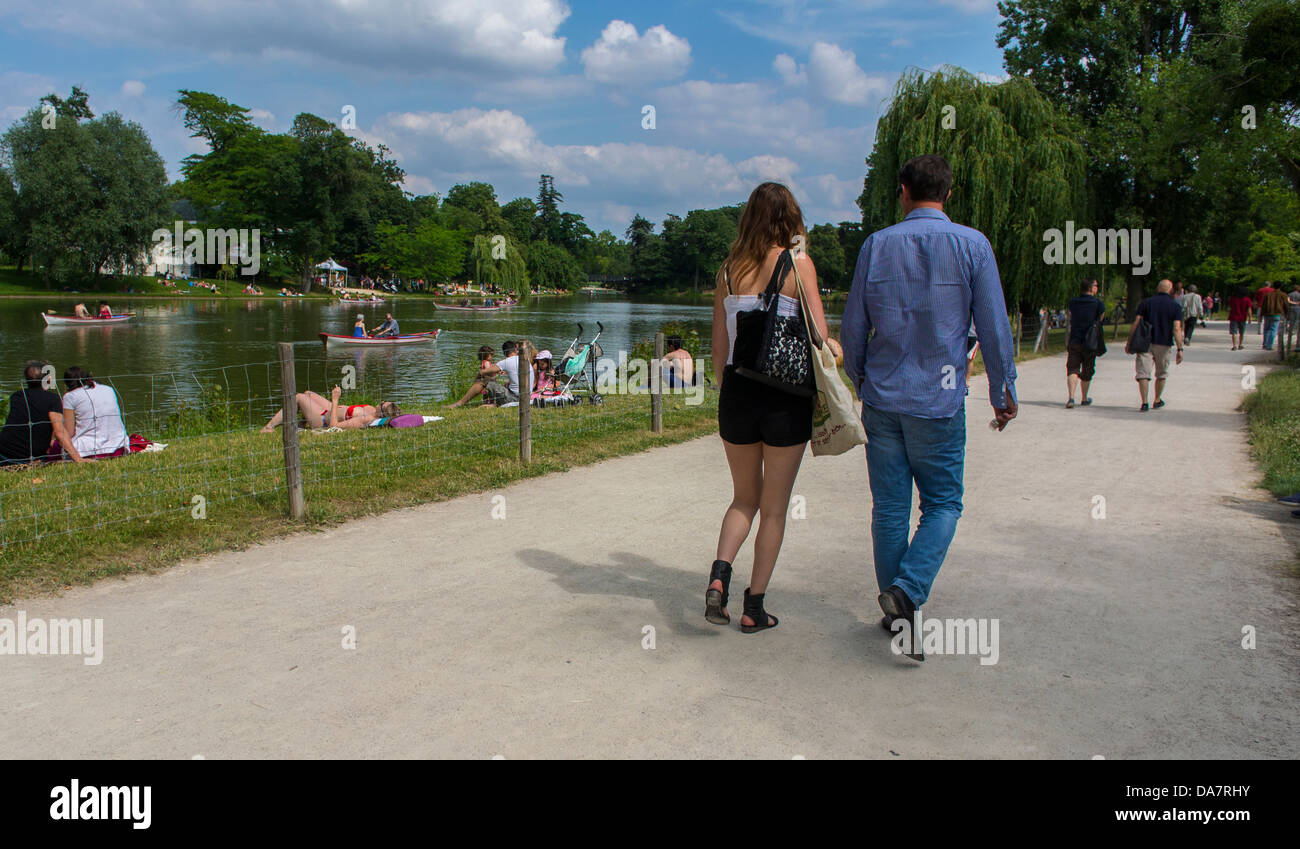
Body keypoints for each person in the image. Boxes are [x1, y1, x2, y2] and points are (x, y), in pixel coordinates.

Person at [841, 154, 1018, 661]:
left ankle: (901, 611)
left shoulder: (876, 245)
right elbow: (993, 326)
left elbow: (853, 326)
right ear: (948, 192)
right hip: (938, 402)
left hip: (884, 397)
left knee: (890, 509)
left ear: (902, 191)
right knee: (942, 504)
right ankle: (909, 591)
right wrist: (1003, 390)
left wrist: (860, 379)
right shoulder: (973, 246)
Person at [706, 181, 832, 635]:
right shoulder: (799, 264)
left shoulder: (727, 271)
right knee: (774, 508)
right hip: (785, 399)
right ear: (790, 219)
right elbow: (819, 335)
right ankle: (753, 606)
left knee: (744, 498)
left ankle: (719, 576)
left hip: (737, 395)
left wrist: (730, 391)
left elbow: (720, 351)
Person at [0, 361, 86, 466]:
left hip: (4, 455)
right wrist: (78, 459)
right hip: (28, 459)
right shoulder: (52, 399)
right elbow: (59, 432)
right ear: (47, 380)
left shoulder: (17, 396)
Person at [1128, 279, 1184, 411]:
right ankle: (1157, 399)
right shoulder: (1175, 306)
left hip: (1144, 342)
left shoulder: (1145, 303)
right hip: (1164, 343)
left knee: (1143, 373)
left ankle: (1144, 402)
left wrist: (1130, 341)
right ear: (1170, 290)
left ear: (1158, 289)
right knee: (1161, 373)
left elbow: (1136, 322)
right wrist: (1180, 348)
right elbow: (1176, 328)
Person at [61, 366, 128, 459]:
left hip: (88, 451)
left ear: (67, 384)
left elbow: (69, 432)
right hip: (119, 446)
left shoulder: (70, 396)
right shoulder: (108, 389)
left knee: (58, 444)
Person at [260, 388, 398, 432]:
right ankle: (300, 426)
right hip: (330, 409)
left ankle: (269, 427)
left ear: (381, 412)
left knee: (299, 398)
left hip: (323, 420)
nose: (381, 402)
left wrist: (335, 399)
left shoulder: (366, 419)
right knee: (308, 393)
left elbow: (334, 426)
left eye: (382, 404)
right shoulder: (370, 410)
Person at [1066, 278, 1106, 408]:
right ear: (1091, 288)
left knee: (1072, 368)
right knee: (1088, 369)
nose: (1097, 287)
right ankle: (1084, 398)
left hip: (1075, 339)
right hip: (1090, 341)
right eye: (1096, 285)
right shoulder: (1098, 304)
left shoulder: (1073, 302)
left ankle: (1071, 397)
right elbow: (1101, 319)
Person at [1260, 282, 1289, 351]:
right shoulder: (1283, 295)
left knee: (1266, 329)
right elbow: (1286, 306)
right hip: (1277, 314)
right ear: (1280, 287)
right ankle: (1269, 345)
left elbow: (1263, 305)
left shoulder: (1268, 295)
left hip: (1267, 313)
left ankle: (1265, 344)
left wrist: (1261, 314)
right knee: (1273, 329)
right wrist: (1286, 314)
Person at [1228, 285, 1253, 350]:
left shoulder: (1233, 298)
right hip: (1243, 317)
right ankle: (1240, 344)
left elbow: (1230, 306)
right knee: (1242, 332)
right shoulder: (1247, 299)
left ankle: (1234, 345)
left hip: (1234, 317)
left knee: (1234, 332)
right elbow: (1249, 309)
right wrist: (1250, 318)